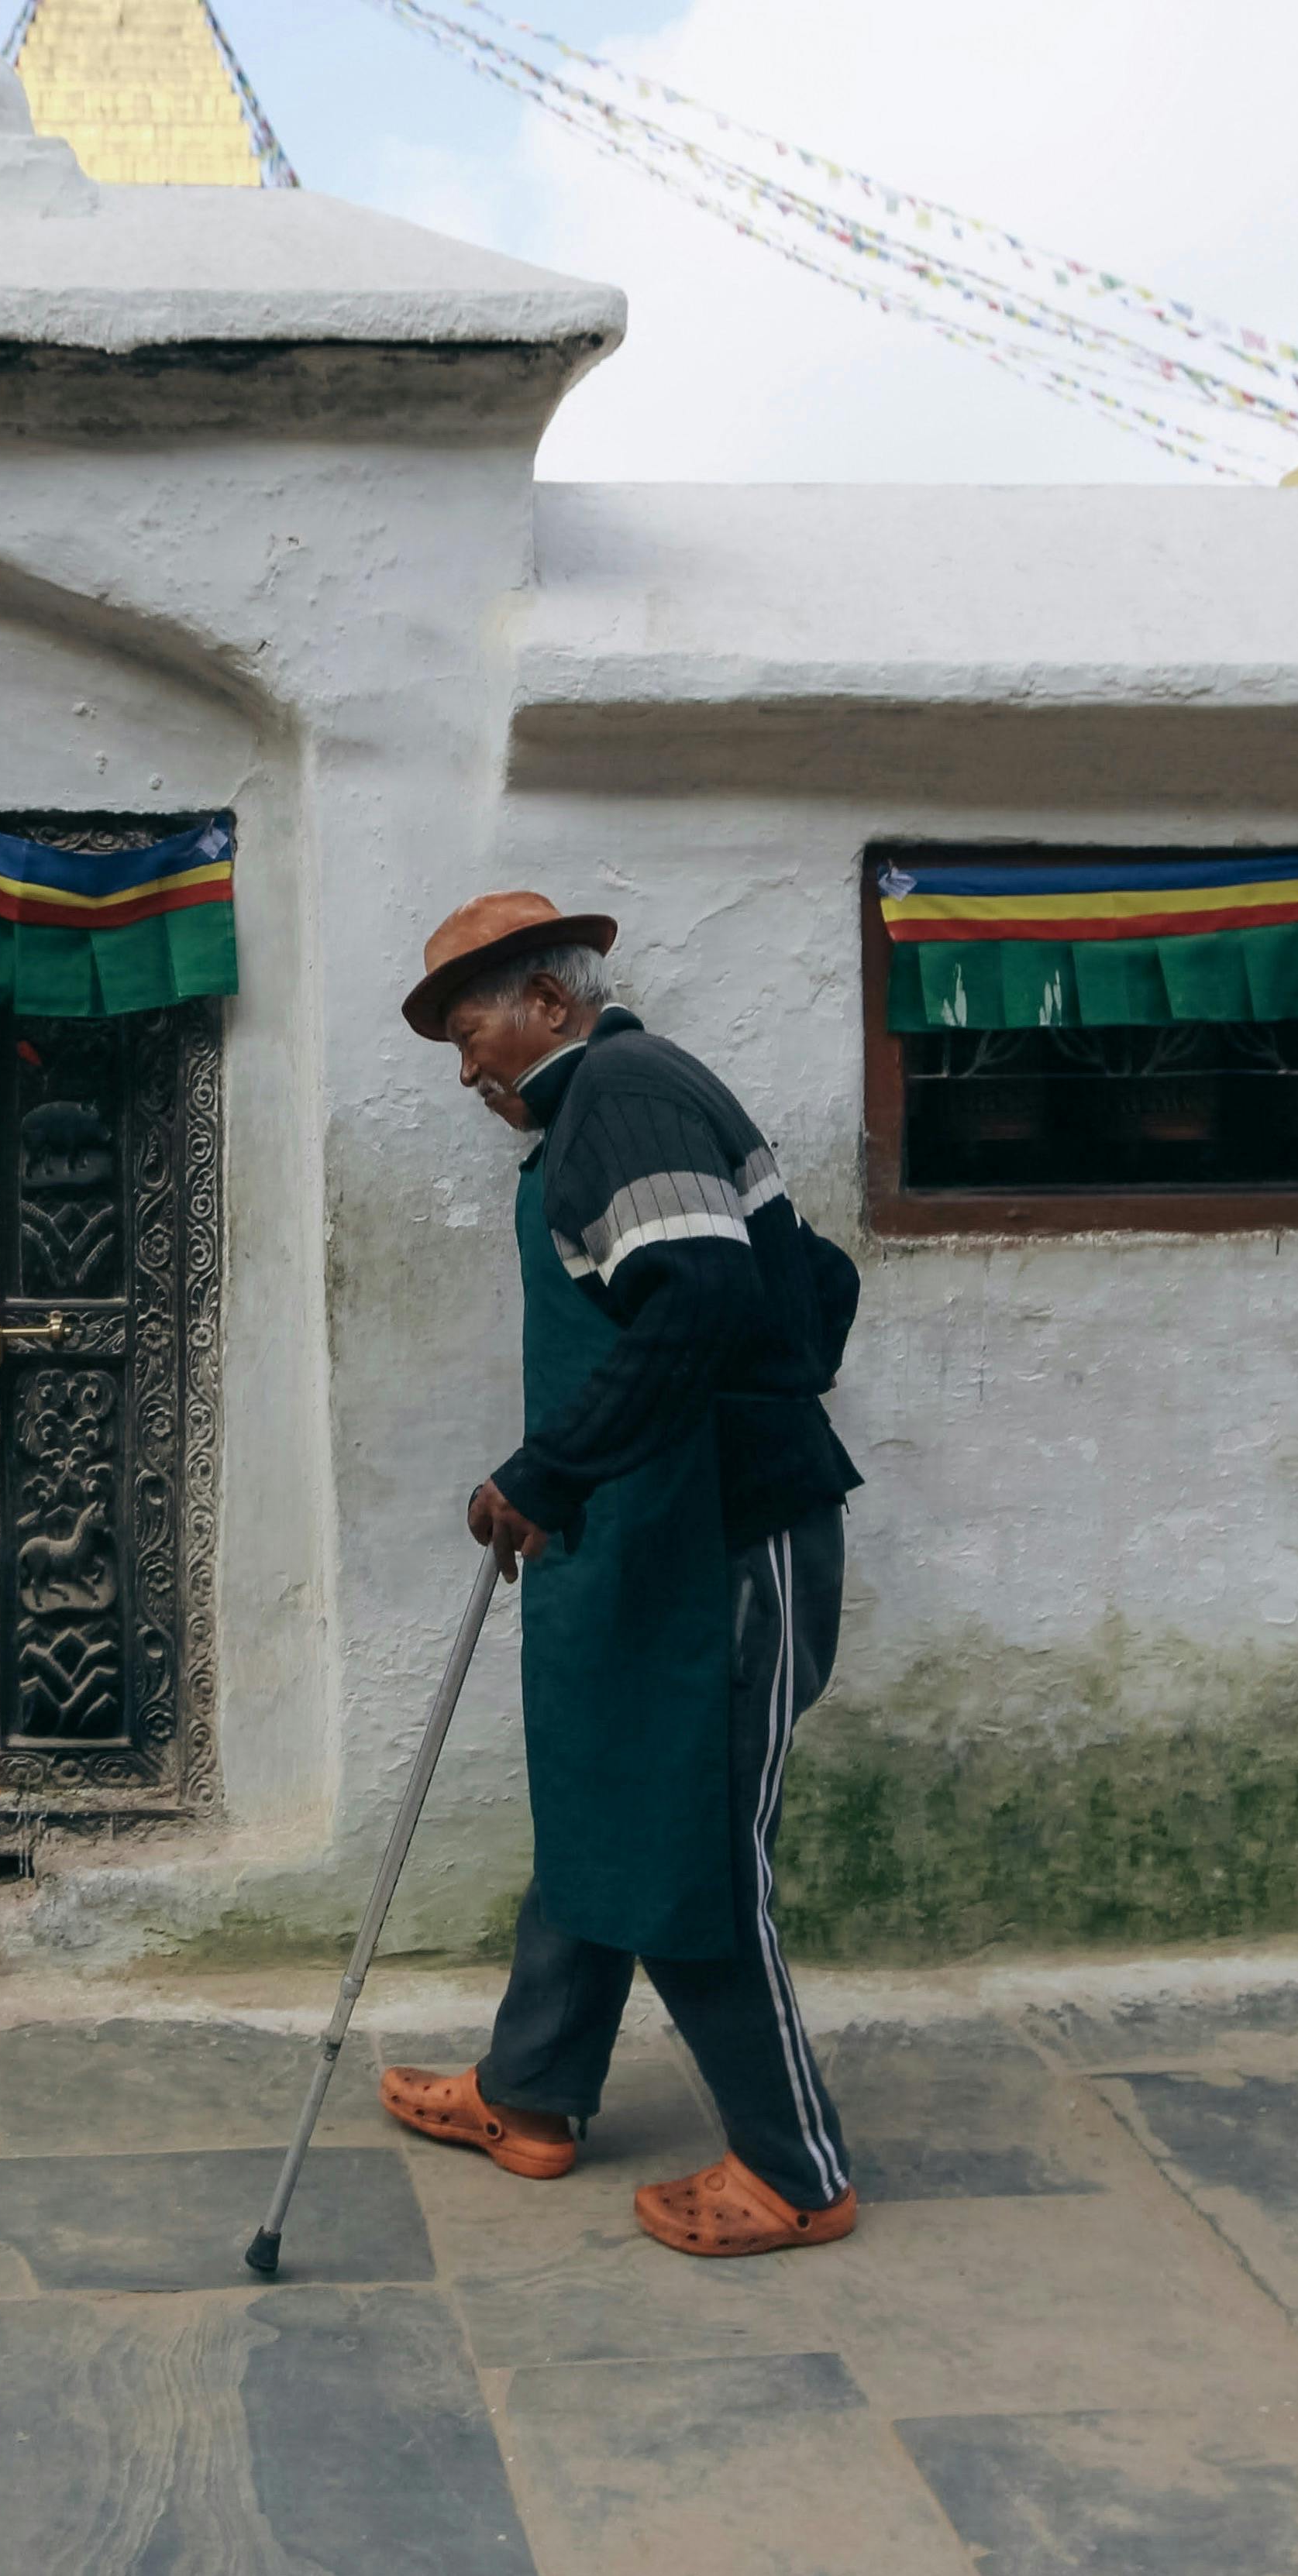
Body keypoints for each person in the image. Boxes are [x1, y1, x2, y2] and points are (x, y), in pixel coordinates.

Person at [379, 890, 866, 2257]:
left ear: (548, 1002)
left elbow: (708, 1301)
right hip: (656, 1536)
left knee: (690, 1855)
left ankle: (796, 2171)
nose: (465, 1063)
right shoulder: (611, 1110)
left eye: (469, 1027)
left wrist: (553, 1468)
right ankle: (529, 2093)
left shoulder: (624, 1092)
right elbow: (811, 1281)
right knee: (610, 1809)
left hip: (721, 1550)